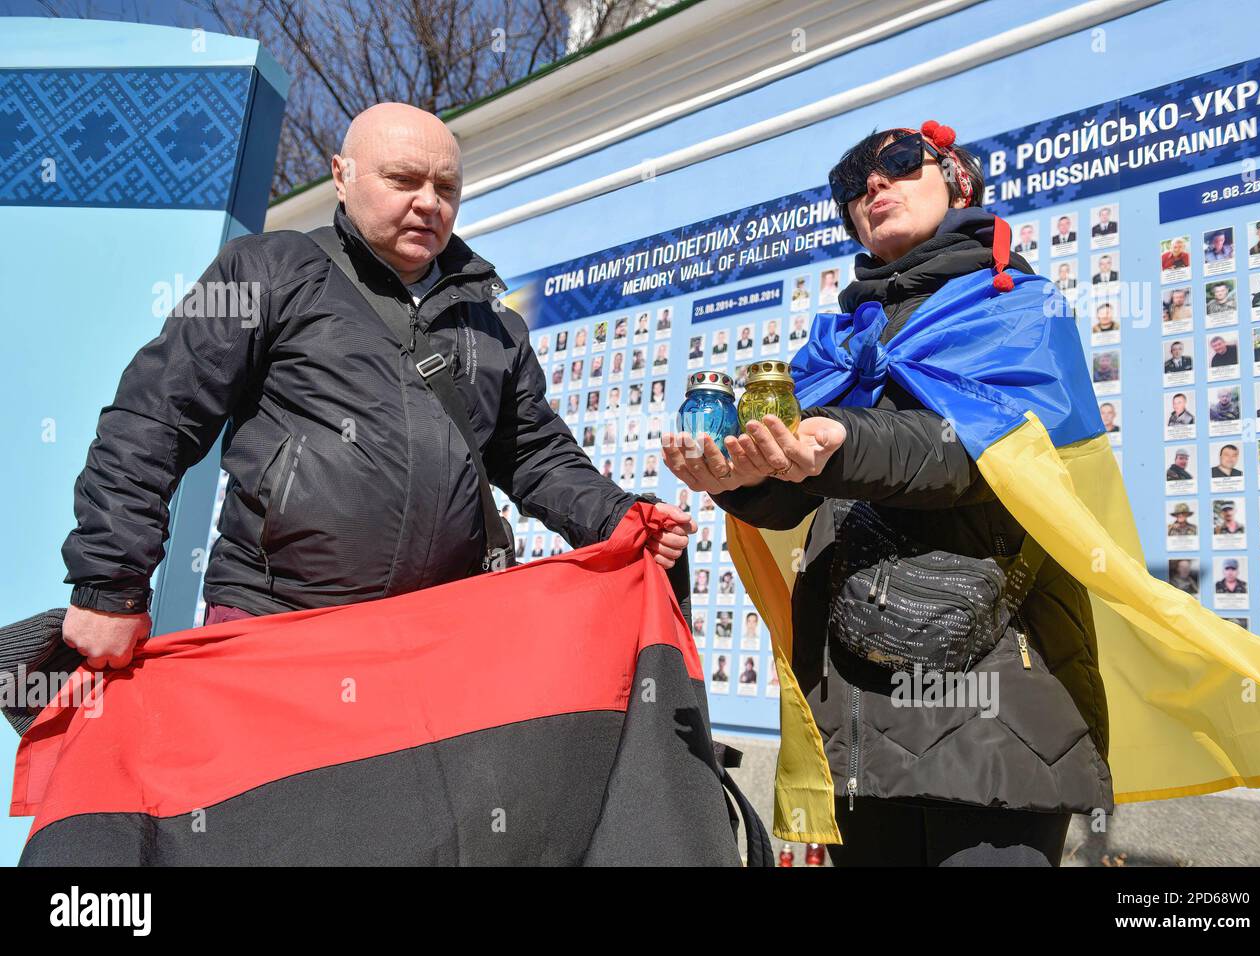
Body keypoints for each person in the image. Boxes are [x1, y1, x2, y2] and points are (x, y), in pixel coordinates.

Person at [58, 103, 695, 668]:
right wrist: (111, 585)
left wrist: (619, 518)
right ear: (343, 175)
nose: (429, 201)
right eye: (403, 179)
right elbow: (154, 419)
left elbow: (535, 456)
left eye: (447, 186)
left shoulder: (494, 319)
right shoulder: (265, 270)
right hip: (274, 628)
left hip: (441, 638)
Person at [662, 121, 1109, 867]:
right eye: (850, 185)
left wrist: (842, 439)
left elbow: (982, 452)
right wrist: (743, 482)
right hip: (857, 702)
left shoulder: (1018, 306)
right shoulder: (837, 342)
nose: (872, 187)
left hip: (996, 700)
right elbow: (806, 486)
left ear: (957, 181)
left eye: (900, 164)